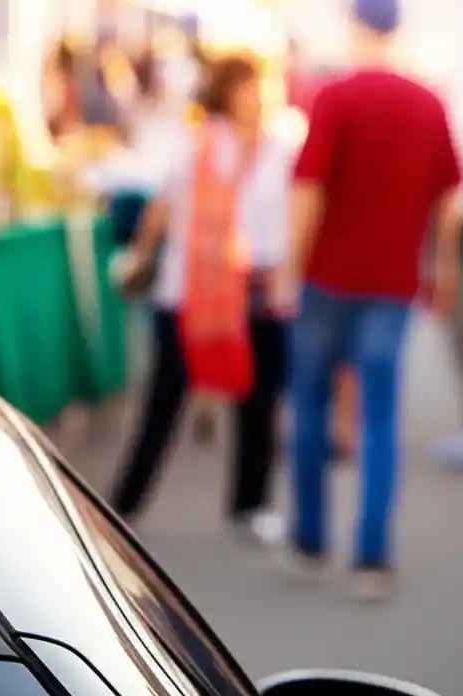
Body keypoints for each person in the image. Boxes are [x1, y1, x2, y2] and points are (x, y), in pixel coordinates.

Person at [286, 0, 463, 601]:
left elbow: (308, 190)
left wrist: (289, 266)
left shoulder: (335, 96)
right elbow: (447, 200)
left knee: (310, 403)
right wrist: (441, 270)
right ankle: (372, 556)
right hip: (391, 284)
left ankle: (311, 538)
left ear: (356, 27)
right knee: (380, 416)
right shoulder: (429, 101)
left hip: (327, 278)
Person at [111, 56, 292, 545]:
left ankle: (250, 504)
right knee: (164, 402)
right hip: (192, 293)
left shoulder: (278, 148)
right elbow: (162, 208)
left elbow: (288, 215)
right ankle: (122, 505)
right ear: (226, 91)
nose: (256, 97)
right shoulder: (197, 144)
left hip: (255, 292)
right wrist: (140, 257)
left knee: (258, 402)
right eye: (248, 87)